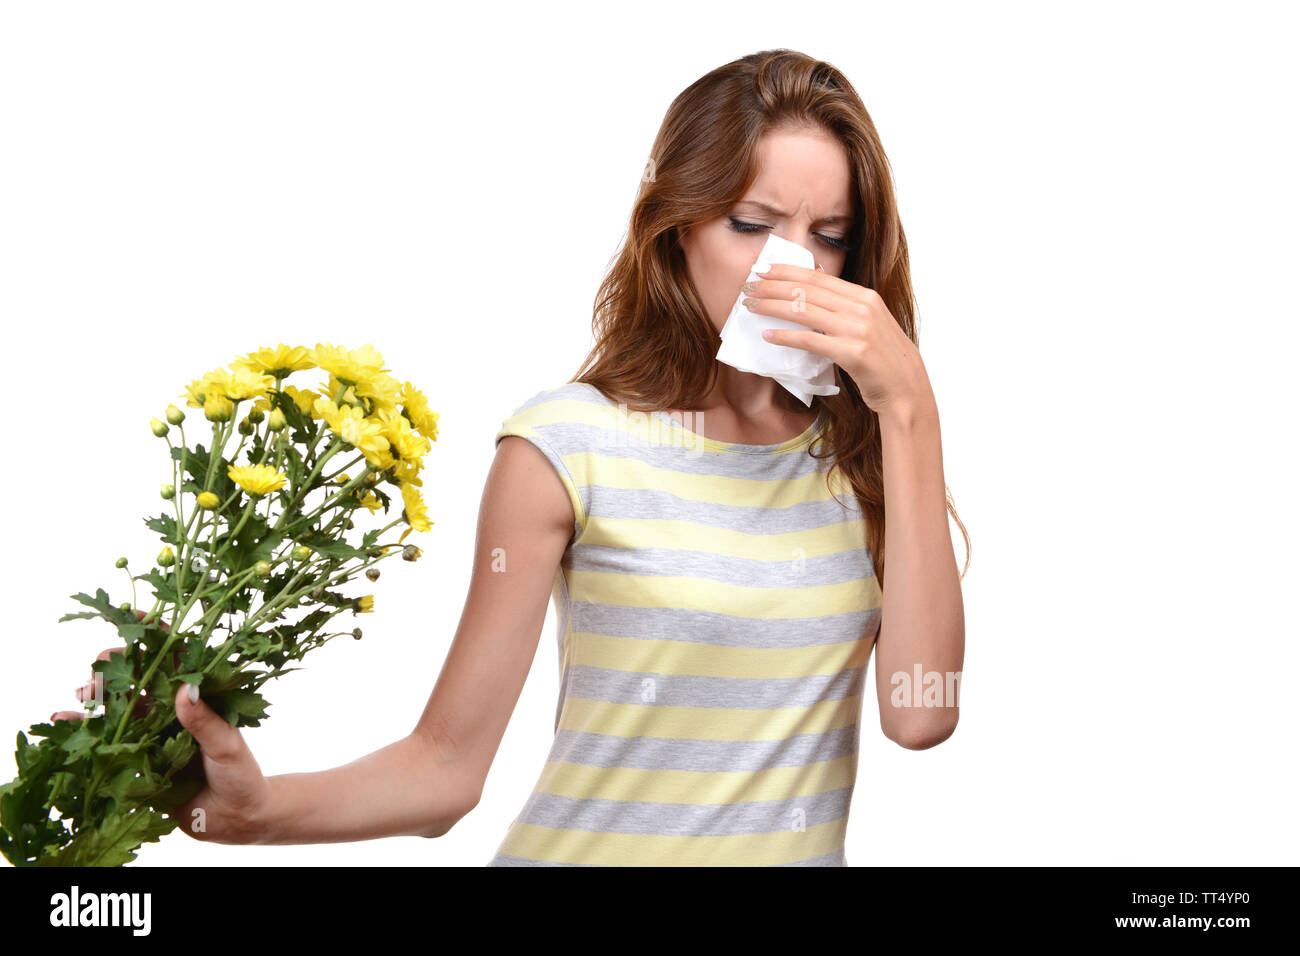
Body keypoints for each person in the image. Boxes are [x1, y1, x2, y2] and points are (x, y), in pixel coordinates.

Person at [53, 48, 968, 865]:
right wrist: (252, 814)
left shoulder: (867, 457)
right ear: (678, 226)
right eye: (752, 224)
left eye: (830, 236)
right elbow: (445, 770)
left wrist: (911, 410)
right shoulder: (568, 443)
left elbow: (920, 715)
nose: (794, 270)